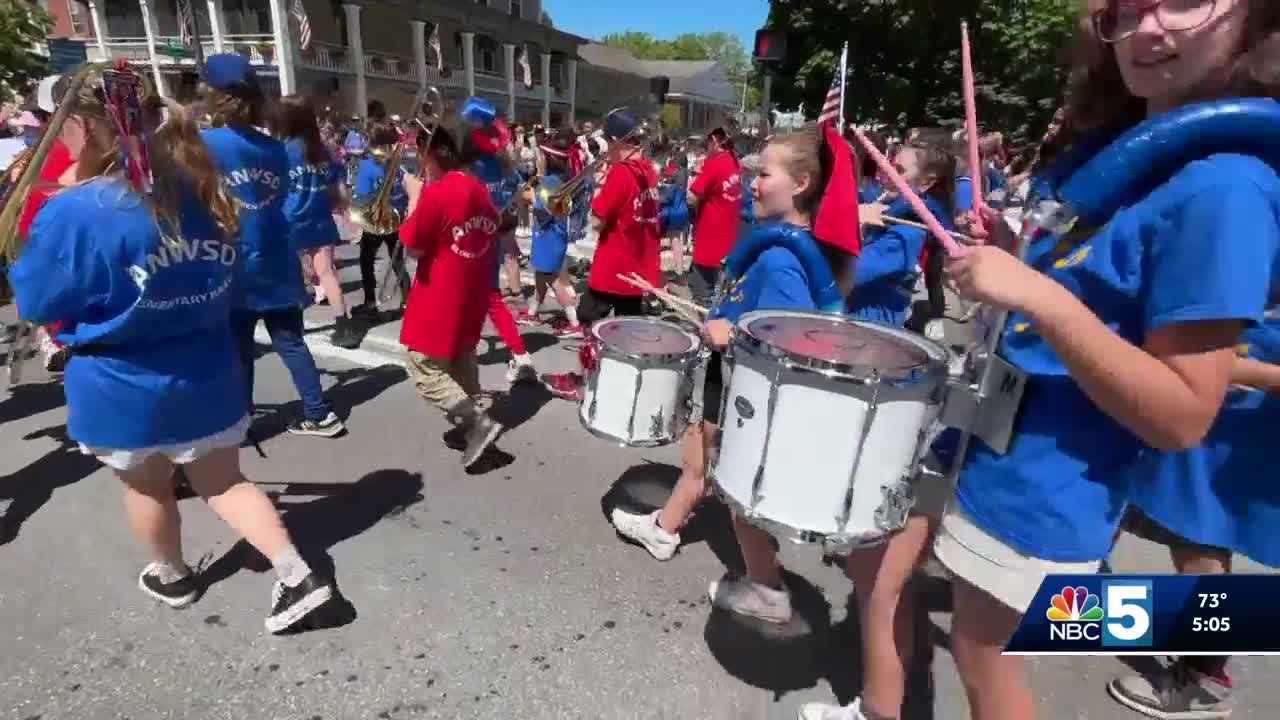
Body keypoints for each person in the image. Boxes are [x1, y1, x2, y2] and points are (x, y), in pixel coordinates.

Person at [804, 2, 1280, 719]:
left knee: (980, 653)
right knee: (913, 587)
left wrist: (1036, 294)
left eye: (1182, 0)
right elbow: (1101, 284)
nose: (1147, 29)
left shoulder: (1225, 188)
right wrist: (1014, 252)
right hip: (986, 433)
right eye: (1126, 9)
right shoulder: (1136, 155)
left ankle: (1209, 652)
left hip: (1048, 483)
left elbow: (1182, 415)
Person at [8, 68, 336, 633]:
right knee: (227, 481)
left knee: (147, 485)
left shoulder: (75, 209)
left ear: (82, 128)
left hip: (122, 383)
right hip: (209, 368)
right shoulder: (199, 188)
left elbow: (38, 302)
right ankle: (297, 574)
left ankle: (171, 573)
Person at [610, 123, 859, 562]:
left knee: (719, 475)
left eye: (764, 175)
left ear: (800, 184)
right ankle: (669, 529)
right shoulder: (778, 250)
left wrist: (734, 334)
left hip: (737, 382)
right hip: (728, 376)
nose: (752, 185)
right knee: (702, 463)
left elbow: (795, 348)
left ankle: (762, 585)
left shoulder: (783, 261)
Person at [200, 54, 345, 438]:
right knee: (292, 341)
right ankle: (318, 411)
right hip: (277, 255)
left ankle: (240, 420)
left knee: (239, 349)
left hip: (236, 260)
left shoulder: (204, 144)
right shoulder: (275, 150)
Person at [398, 122, 504, 468]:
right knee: (461, 359)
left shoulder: (437, 192)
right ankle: (467, 428)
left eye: (421, 154)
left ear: (434, 154)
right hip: (471, 293)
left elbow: (412, 246)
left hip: (439, 295)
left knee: (425, 366)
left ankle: (475, 423)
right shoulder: (480, 190)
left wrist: (415, 197)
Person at [541, 110, 662, 402]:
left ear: (614, 140)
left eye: (607, 143)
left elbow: (597, 219)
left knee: (589, 322)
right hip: (638, 266)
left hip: (614, 266)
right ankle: (624, 384)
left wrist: (600, 185)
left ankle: (585, 384)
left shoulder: (621, 172)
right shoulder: (647, 169)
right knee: (627, 329)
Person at [460, 98, 537, 386]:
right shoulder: (502, 163)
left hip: (466, 240)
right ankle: (520, 355)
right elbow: (519, 191)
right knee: (490, 299)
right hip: (489, 237)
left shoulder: (466, 166)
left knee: (464, 297)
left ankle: (457, 353)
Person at [275, 94, 360, 349]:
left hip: (290, 220)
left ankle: (294, 328)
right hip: (320, 219)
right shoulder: (323, 151)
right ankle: (343, 326)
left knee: (291, 275)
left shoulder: (282, 151)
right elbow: (339, 192)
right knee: (327, 273)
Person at [846, 142, 955, 327]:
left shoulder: (909, 231)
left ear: (926, 181)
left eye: (898, 169)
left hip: (869, 327)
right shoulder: (886, 203)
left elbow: (848, 274)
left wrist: (847, 221)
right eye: (889, 164)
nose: (887, 171)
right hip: (855, 314)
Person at [516, 130, 580, 330]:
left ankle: (574, 323)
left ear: (548, 160)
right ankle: (533, 313)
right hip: (551, 237)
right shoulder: (558, 180)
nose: (538, 159)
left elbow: (538, 205)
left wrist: (526, 193)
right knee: (540, 279)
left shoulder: (548, 183)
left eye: (541, 156)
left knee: (553, 281)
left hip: (548, 239)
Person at [352, 119, 411, 314]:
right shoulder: (398, 165)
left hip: (375, 222)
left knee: (366, 260)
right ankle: (408, 300)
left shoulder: (367, 165)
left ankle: (370, 301)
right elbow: (404, 193)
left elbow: (362, 196)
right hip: (395, 219)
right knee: (397, 261)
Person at [686, 128, 742, 306]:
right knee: (722, 293)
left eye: (707, 143)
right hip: (729, 238)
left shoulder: (714, 164)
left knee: (701, 290)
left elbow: (692, 197)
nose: (706, 147)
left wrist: (696, 173)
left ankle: (706, 329)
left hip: (708, 239)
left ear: (715, 141)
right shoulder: (735, 163)